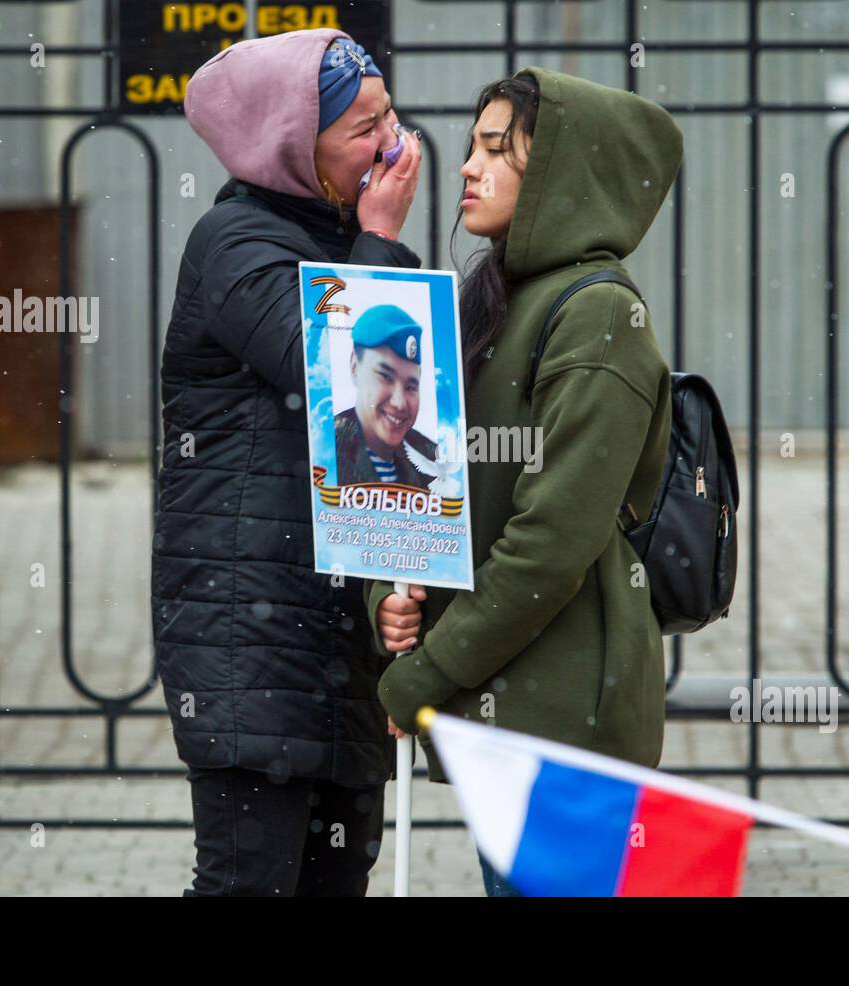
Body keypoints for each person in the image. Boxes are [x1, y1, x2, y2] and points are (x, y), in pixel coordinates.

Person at [365, 68, 684, 896]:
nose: (467, 167)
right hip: (505, 712)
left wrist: (427, 674)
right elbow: (427, 485)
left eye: (495, 151)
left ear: (560, 175)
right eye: (472, 147)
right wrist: (393, 597)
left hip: (565, 726)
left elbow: (552, 540)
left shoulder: (597, 314)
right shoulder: (500, 299)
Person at [153, 28, 423, 896]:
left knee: (336, 879)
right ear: (291, 150)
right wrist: (380, 238)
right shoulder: (235, 242)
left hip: (336, 639)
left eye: (389, 116)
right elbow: (339, 377)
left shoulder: (341, 237)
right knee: (247, 884)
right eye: (361, 130)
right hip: (250, 638)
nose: (390, 145)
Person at [333, 304, 439, 489]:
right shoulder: (324, 447)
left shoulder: (433, 459)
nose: (399, 403)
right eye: (385, 377)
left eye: (411, 386)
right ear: (354, 367)